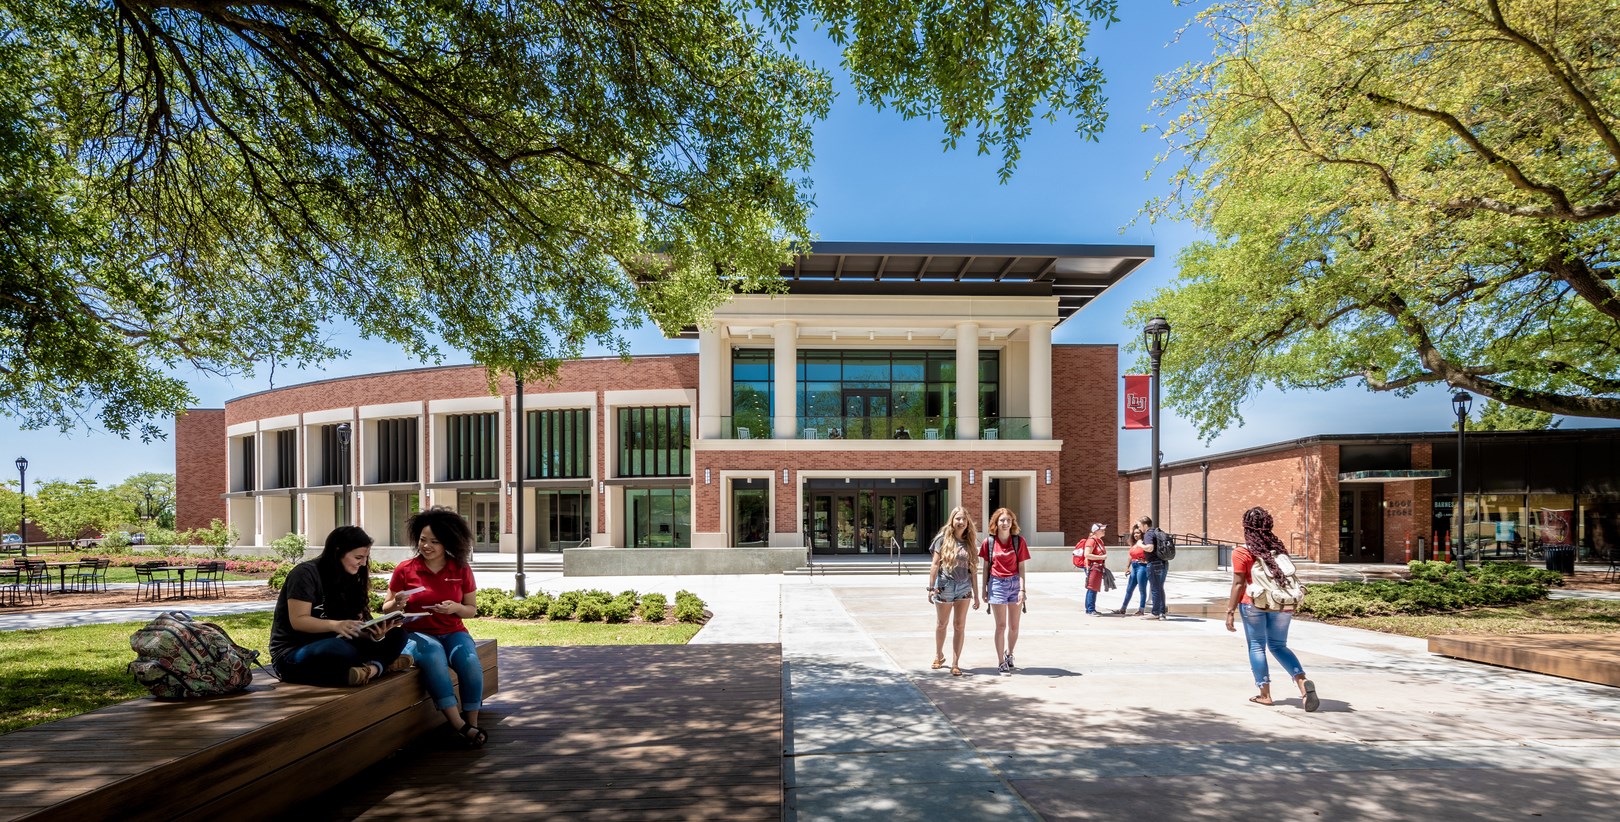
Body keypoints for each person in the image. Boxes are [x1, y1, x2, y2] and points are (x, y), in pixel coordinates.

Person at [389, 507, 487, 747]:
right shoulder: (405, 569)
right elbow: (386, 609)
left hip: (453, 631)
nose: (426, 546)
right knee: (433, 653)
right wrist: (397, 602)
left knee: (469, 661)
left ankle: (472, 722)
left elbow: (471, 609)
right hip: (416, 634)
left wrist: (455, 608)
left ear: (448, 543)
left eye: (434, 541)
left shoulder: (461, 568)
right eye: (423, 540)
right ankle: (458, 725)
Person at [270, 526, 410, 686]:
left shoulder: (352, 577)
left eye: (366, 557)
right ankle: (383, 665)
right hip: (294, 652)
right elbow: (299, 621)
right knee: (340, 649)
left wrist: (374, 635)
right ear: (337, 552)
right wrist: (336, 625)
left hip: (340, 643)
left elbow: (356, 627)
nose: (363, 563)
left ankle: (371, 669)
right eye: (358, 557)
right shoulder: (305, 574)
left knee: (399, 635)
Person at [1225, 507, 1320, 711]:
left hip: (1253, 604)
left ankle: (1264, 694)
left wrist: (1230, 611)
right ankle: (1303, 684)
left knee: (1257, 646)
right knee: (1278, 646)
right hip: (1282, 604)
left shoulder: (1242, 551)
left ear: (1246, 527)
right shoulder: (1278, 550)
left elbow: (1238, 584)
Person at [926, 506, 980, 676]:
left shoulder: (970, 542)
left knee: (959, 625)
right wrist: (931, 587)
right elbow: (935, 565)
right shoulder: (942, 540)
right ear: (952, 520)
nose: (961, 522)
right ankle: (939, 654)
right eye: (957, 518)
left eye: (964, 519)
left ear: (967, 522)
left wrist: (977, 595)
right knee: (942, 624)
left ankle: (955, 663)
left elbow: (973, 571)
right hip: (945, 585)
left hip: (964, 587)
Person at [979, 507, 1030, 673]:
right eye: (1002, 520)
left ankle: (1010, 654)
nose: (1005, 523)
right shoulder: (989, 542)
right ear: (996, 523)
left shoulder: (1019, 541)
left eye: (1008, 520)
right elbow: (985, 567)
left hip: (1015, 583)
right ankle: (1001, 660)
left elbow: (1022, 567)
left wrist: (1022, 589)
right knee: (1000, 626)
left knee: (1014, 626)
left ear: (1012, 522)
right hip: (997, 584)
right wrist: (984, 590)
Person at [1115, 523, 1150, 615]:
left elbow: (1150, 553)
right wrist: (1127, 567)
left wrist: (1146, 561)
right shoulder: (1134, 544)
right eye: (1134, 533)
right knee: (1129, 589)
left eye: (1138, 533)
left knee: (1142, 589)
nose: (1136, 535)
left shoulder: (1144, 543)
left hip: (1142, 567)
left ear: (1142, 534)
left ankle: (1141, 609)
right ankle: (1123, 608)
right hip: (1134, 567)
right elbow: (1130, 556)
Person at [1139, 515, 1170, 620]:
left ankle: (1155, 612)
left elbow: (1150, 548)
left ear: (1145, 525)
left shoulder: (1148, 534)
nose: (1139, 528)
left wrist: (1140, 545)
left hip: (1154, 564)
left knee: (1155, 588)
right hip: (1164, 562)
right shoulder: (1158, 532)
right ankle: (1162, 613)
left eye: (1140, 526)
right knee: (1160, 588)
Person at [1076, 523, 1108, 615]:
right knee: (1092, 588)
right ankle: (1090, 609)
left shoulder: (1099, 541)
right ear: (1096, 531)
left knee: (1094, 588)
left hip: (1098, 567)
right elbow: (1087, 554)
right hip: (1092, 567)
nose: (1104, 530)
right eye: (1102, 529)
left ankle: (1090, 608)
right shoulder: (1091, 541)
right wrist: (1102, 558)